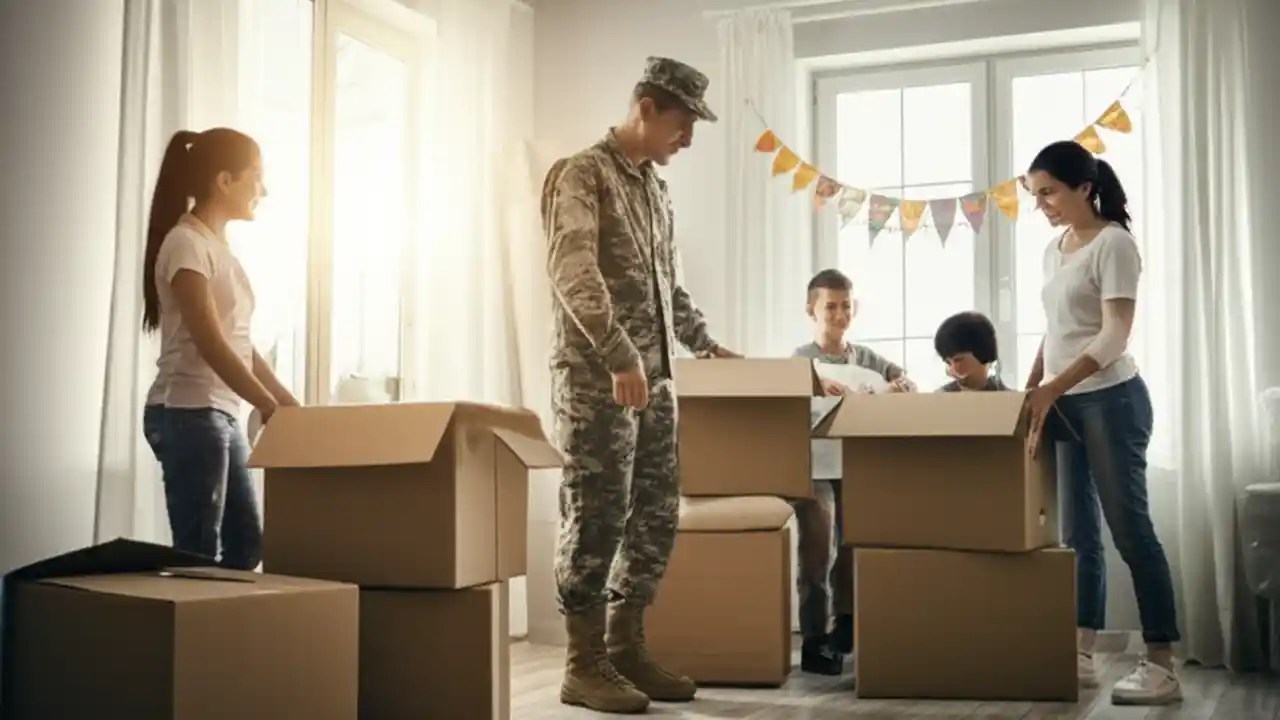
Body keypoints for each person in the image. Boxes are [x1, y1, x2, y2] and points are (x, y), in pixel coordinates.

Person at [542, 57, 738, 714]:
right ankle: (583, 663)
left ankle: (625, 647)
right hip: (599, 382)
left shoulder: (655, 189)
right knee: (596, 513)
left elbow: (667, 287)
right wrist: (621, 356)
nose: (689, 139)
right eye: (684, 124)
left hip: (655, 383)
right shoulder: (582, 174)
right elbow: (572, 273)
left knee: (654, 515)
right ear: (646, 109)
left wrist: (705, 343)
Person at [1023, 140, 1181, 705]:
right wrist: (1033, 388)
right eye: (1035, 194)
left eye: (1049, 192)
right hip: (1064, 402)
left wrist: (1054, 388)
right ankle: (1080, 650)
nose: (1042, 204)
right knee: (1078, 536)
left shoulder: (1115, 244)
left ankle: (1161, 662)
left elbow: (1114, 335)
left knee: (1130, 530)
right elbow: (1056, 329)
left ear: (1084, 188)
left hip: (1111, 401)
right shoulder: (1055, 248)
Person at [141, 128, 298, 571]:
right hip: (188, 411)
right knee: (197, 554)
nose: (263, 190)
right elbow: (209, 341)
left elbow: (239, 345)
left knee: (246, 546)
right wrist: (266, 404)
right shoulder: (186, 244)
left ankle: (219, 616)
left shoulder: (215, 247)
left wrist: (286, 403)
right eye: (256, 176)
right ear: (224, 181)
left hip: (218, 413)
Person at [792, 268, 914, 674]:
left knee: (852, 547)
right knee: (818, 551)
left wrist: (897, 387)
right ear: (811, 310)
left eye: (846, 306)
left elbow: (904, 381)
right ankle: (815, 640)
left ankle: (846, 629)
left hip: (857, 463)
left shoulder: (868, 359)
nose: (840, 315)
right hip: (814, 465)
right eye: (831, 307)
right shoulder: (800, 361)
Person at [934, 311, 1010, 392]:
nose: (953, 370)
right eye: (948, 363)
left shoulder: (1011, 398)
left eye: (959, 360)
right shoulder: (939, 397)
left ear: (983, 354)